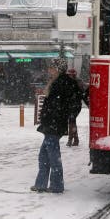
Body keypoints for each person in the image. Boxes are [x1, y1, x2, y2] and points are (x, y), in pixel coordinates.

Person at [31, 58, 83, 193]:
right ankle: (42, 184)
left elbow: (74, 103)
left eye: (51, 68)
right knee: (45, 155)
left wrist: (68, 116)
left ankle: (56, 185)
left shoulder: (64, 83)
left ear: (58, 69)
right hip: (51, 122)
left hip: (54, 123)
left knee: (52, 156)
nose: (49, 70)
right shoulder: (57, 82)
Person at [65, 69, 86, 147]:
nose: (69, 76)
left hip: (76, 104)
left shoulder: (78, 81)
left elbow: (81, 92)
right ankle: (75, 139)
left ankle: (71, 140)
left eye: (70, 74)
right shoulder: (68, 82)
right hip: (71, 104)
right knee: (72, 121)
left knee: (71, 120)